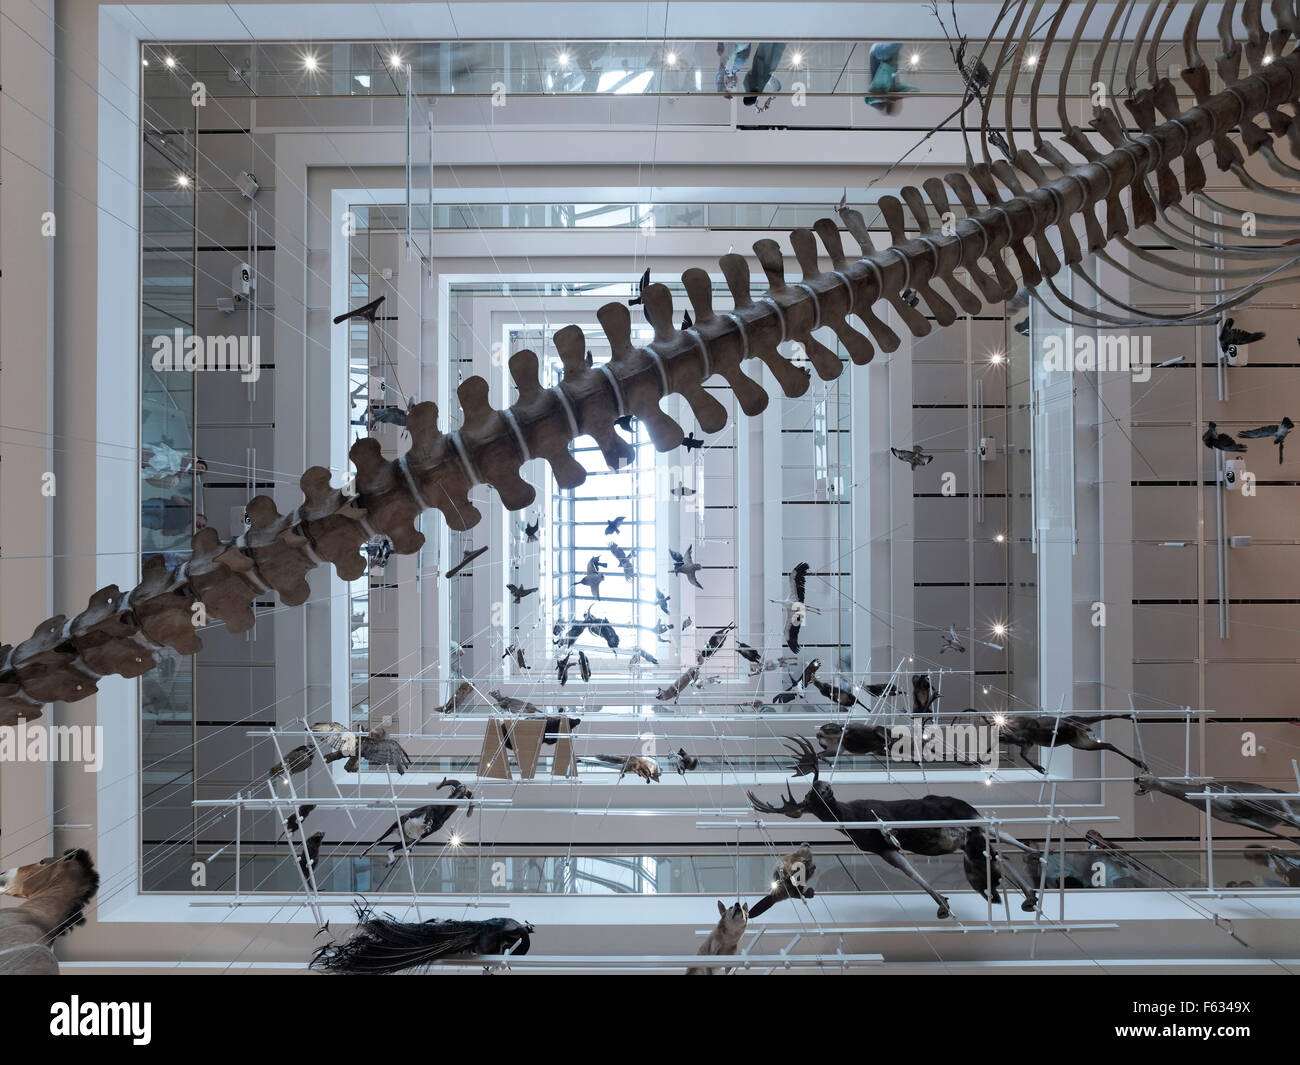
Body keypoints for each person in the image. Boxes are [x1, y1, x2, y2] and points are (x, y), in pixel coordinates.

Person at [865, 42, 918, 112]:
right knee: (898, 42)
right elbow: (914, 90)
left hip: (878, 55)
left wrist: (885, 98)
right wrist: (899, 96)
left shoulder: (877, 88)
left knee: (899, 42)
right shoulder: (894, 87)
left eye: (891, 103)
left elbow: (867, 99)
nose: (893, 101)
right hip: (890, 57)